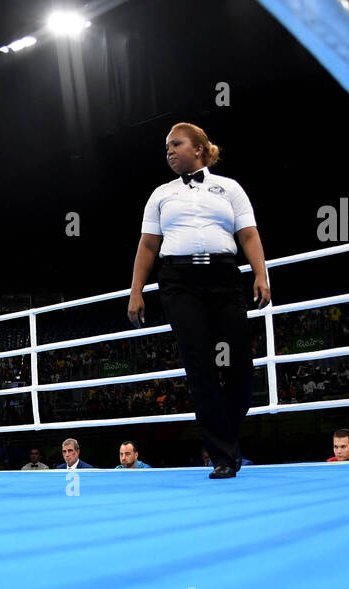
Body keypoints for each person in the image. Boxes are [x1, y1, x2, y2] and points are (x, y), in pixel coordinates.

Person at [127, 122, 270, 480]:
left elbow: (249, 234)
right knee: (200, 367)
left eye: (176, 144)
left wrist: (261, 273)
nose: (169, 151)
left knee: (240, 367)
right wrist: (136, 289)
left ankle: (226, 439)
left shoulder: (230, 188)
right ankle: (221, 456)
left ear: (200, 149)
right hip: (178, 282)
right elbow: (147, 245)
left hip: (224, 277)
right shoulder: (161, 194)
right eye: (166, 148)